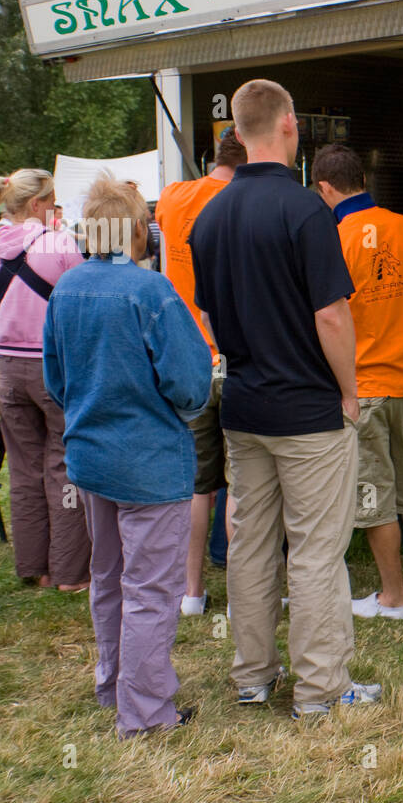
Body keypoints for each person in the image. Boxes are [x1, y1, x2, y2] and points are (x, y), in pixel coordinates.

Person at [189, 78, 381, 720]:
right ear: (291, 125)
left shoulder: (209, 215)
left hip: (244, 406)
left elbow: (209, 315)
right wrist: (351, 392)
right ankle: (322, 688)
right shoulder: (305, 211)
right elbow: (332, 316)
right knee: (317, 549)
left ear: (238, 133)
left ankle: (253, 675)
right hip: (308, 413)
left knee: (249, 544)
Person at [43, 175, 210, 738]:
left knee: (109, 576)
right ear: (139, 229)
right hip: (149, 462)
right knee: (150, 589)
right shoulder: (151, 292)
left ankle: (113, 685)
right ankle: (143, 712)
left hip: (91, 456)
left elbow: (57, 379)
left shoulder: (66, 289)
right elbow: (190, 384)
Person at [312, 143, 403, 620]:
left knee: (375, 497)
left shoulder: (332, 238)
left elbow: (326, 316)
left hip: (364, 388)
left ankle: (393, 598)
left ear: (326, 188)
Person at [0, 169, 91, 591]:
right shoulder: (59, 243)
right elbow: (80, 301)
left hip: (6, 367)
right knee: (62, 466)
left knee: (24, 468)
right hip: (52, 365)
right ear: (40, 205)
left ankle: (33, 567)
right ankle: (70, 573)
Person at [155, 130, 247, 616]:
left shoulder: (172, 197)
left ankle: (190, 592)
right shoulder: (243, 203)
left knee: (197, 485)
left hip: (187, 361)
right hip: (233, 359)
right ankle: (241, 596)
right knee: (240, 483)